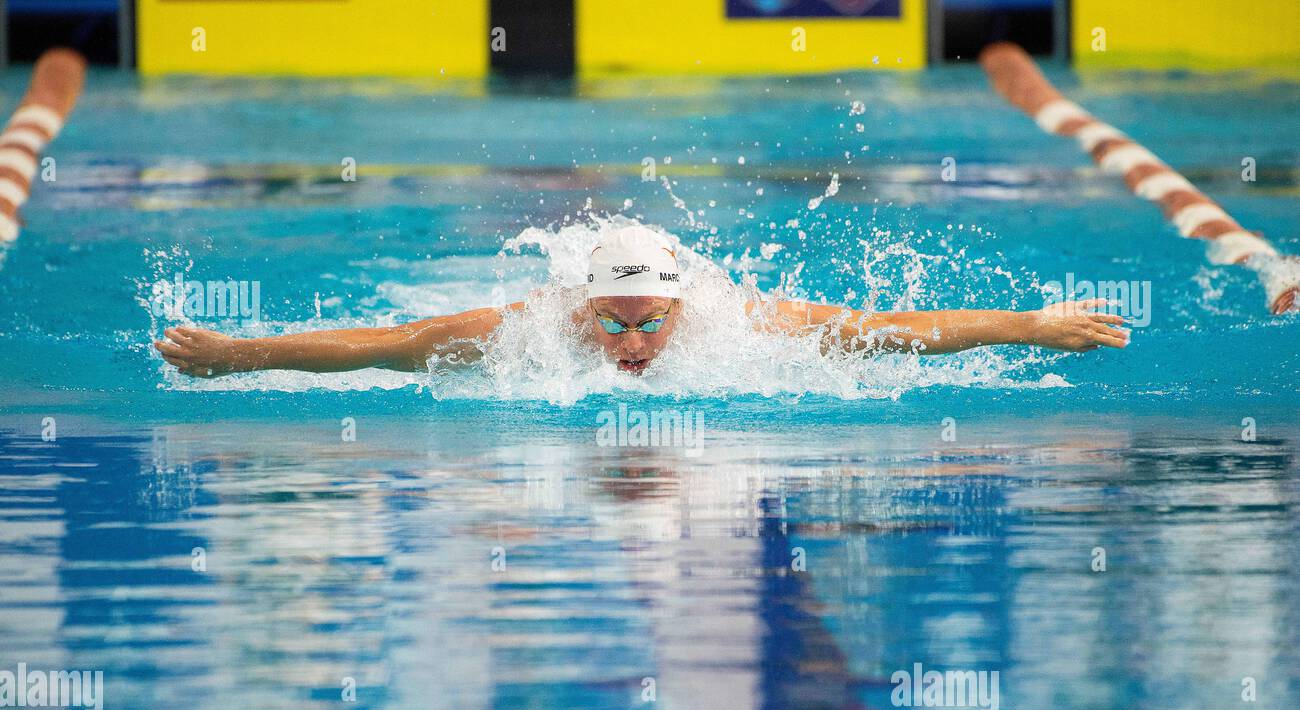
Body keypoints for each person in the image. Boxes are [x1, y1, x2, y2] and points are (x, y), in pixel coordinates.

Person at [153, 224, 1128, 379]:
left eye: (644, 324)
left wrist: (1032, 326)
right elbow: (386, 342)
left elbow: (893, 333)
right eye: (612, 322)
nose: (627, 341)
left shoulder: (730, 319)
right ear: (582, 309)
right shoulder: (532, 328)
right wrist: (239, 353)